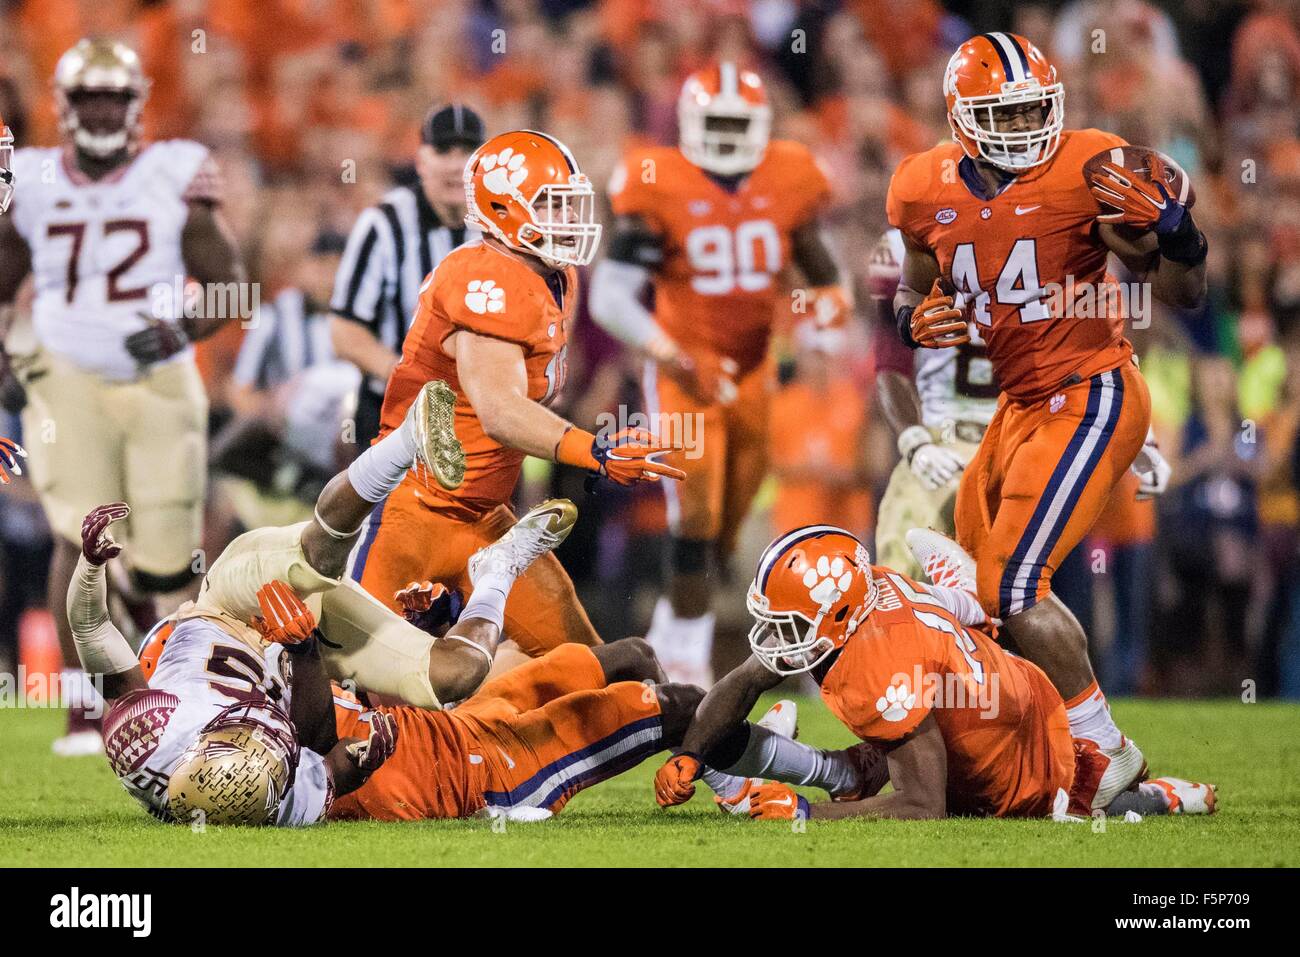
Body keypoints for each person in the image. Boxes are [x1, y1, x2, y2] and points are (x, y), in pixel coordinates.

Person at [886, 32, 1196, 809]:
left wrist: (1180, 233)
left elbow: (1182, 292)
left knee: (1015, 581)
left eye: (1035, 110)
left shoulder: (1086, 167)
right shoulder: (922, 187)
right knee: (975, 593)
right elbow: (912, 289)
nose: (1026, 127)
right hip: (1018, 404)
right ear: (963, 118)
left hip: (1091, 389)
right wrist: (913, 321)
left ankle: (1105, 747)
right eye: (1006, 113)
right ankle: (1021, 753)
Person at [347, 129, 683, 668]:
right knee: (364, 706)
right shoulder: (484, 275)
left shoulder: (556, 276)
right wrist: (593, 451)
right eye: (551, 204)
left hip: (487, 520)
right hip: (413, 512)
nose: (568, 218)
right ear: (502, 207)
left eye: (569, 204)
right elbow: (499, 411)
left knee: (591, 676)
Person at [0, 39, 243, 755]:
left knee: (169, 555)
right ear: (65, 108)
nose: (103, 111)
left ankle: (183, 690)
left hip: (158, 378)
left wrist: (178, 330)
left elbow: (236, 284)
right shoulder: (34, 178)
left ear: (135, 105)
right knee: (78, 539)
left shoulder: (172, 171)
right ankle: (83, 708)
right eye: (89, 99)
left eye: (114, 98)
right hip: (66, 370)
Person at [656, 525, 1215, 820]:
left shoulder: (882, 664)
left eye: (789, 624)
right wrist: (691, 754)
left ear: (839, 614)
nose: (777, 637)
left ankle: (1162, 796)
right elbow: (748, 678)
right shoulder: (866, 589)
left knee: (1088, 804)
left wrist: (806, 813)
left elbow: (923, 807)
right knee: (872, 757)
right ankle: (970, 596)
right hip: (989, 687)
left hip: (1023, 771)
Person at [590, 63, 850, 686]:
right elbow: (611, 296)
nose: (728, 135)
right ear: (688, 124)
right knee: (696, 510)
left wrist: (827, 306)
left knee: (730, 523)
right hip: (685, 372)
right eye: (717, 123)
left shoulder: (791, 174)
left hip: (756, 373)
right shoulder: (657, 179)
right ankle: (686, 657)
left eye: (739, 123)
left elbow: (822, 269)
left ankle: (670, 637)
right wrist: (675, 356)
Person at [330, 103, 486, 452]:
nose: (456, 164)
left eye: (467, 152)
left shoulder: (499, 226)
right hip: (394, 416)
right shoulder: (385, 224)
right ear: (421, 160)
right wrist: (410, 378)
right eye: (444, 150)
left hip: (479, 420)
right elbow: (344, 331)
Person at [871, 228, 998, 579]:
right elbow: (891, 363)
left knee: (903, 585)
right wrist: (915, 441)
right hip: (955, 440)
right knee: (901, 582)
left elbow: (889, 364)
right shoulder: (904, 244)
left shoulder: (1050, 229)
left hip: (1006, 437)